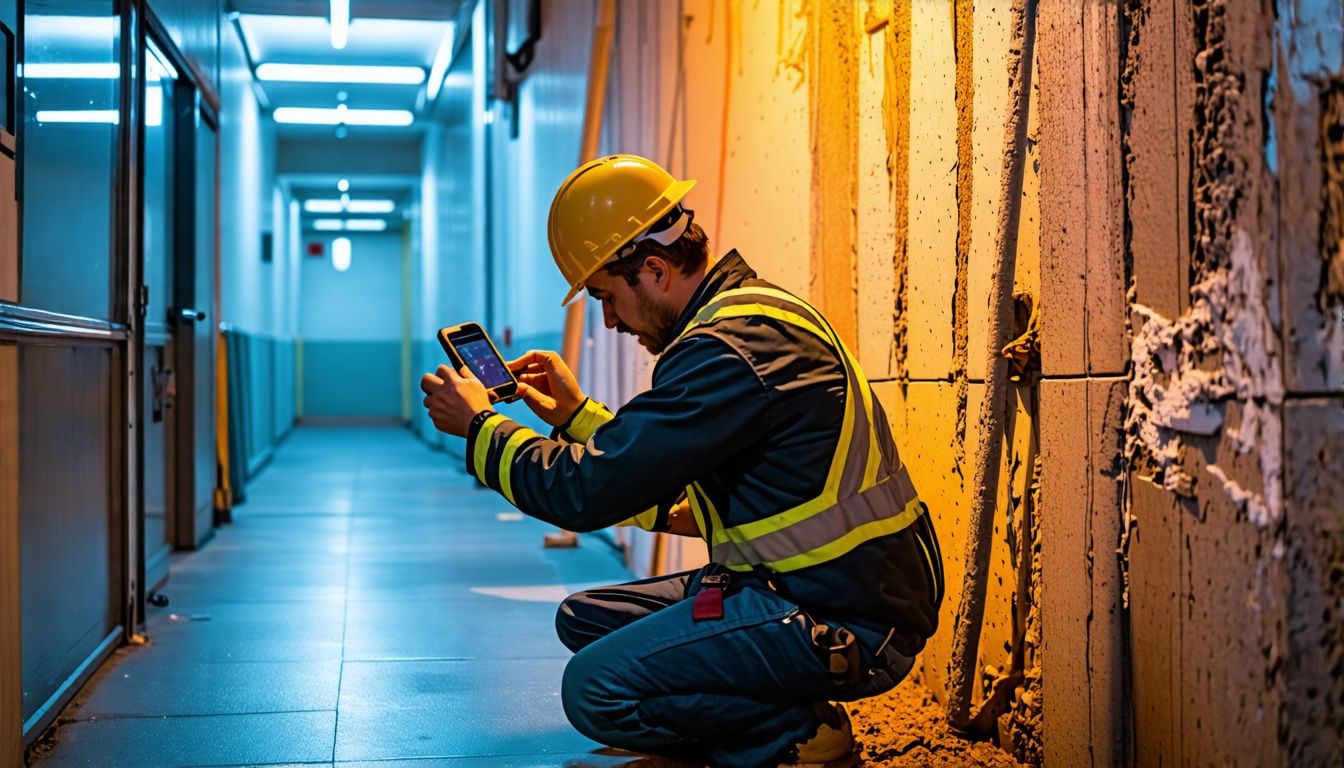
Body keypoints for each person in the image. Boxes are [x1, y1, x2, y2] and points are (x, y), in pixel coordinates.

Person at [420, 155, 944, 768]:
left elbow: (583, 492)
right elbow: (664, 487)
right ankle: (775, 703)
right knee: (585, 620)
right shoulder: (752, 317)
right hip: (813, 585)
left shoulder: (727, 353)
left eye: (607, 298)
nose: (610, 320)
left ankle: (794, 734)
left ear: (654, 268)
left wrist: (481, 427)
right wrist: (573, 415)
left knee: (594, 690)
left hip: (842, 621)